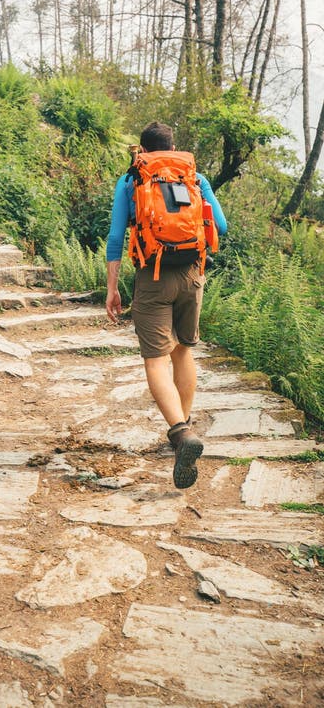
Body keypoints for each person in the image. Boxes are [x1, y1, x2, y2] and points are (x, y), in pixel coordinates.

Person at [105, 121, 228, 489]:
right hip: (192, 274)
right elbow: (219, 226)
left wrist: (112, 288)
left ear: (143, 151)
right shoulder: (195, 178)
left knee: (156, 359)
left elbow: (115, 236)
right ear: (174, 147)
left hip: (152, 278)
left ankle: (179, 431)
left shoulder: (131, 181)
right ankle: (183, 428)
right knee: (184, 351)